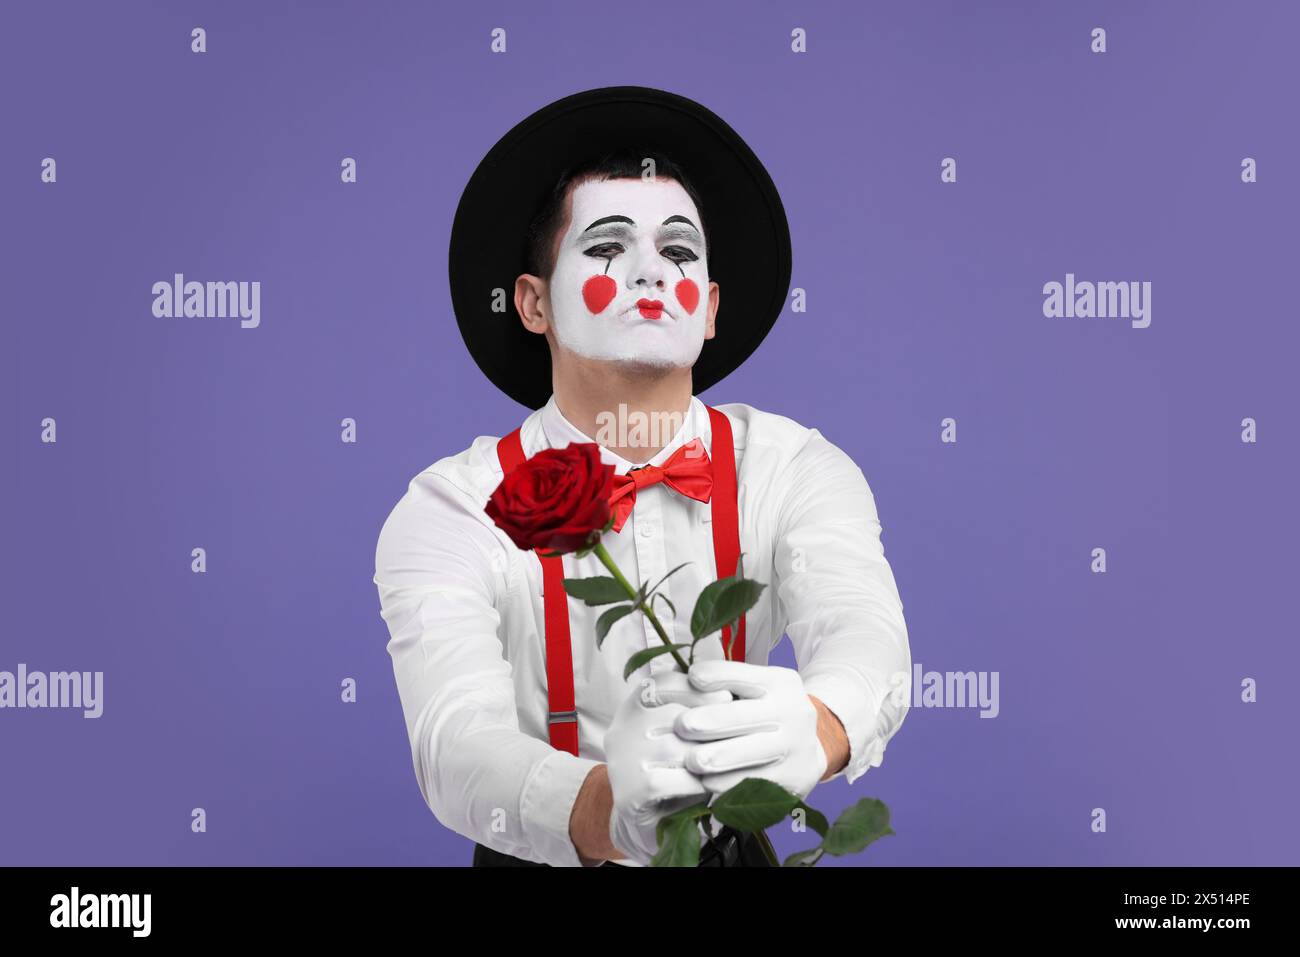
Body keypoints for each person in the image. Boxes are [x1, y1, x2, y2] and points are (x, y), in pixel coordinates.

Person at [374, 86, 911, 867]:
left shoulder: (795, 468)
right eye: (605, 248)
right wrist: (604, 809)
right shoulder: (451, 505)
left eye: (680, 251)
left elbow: (865, 629)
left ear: (712, 308)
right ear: (533, 304)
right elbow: (452, 741)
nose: (650, 273)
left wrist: (825, 723)